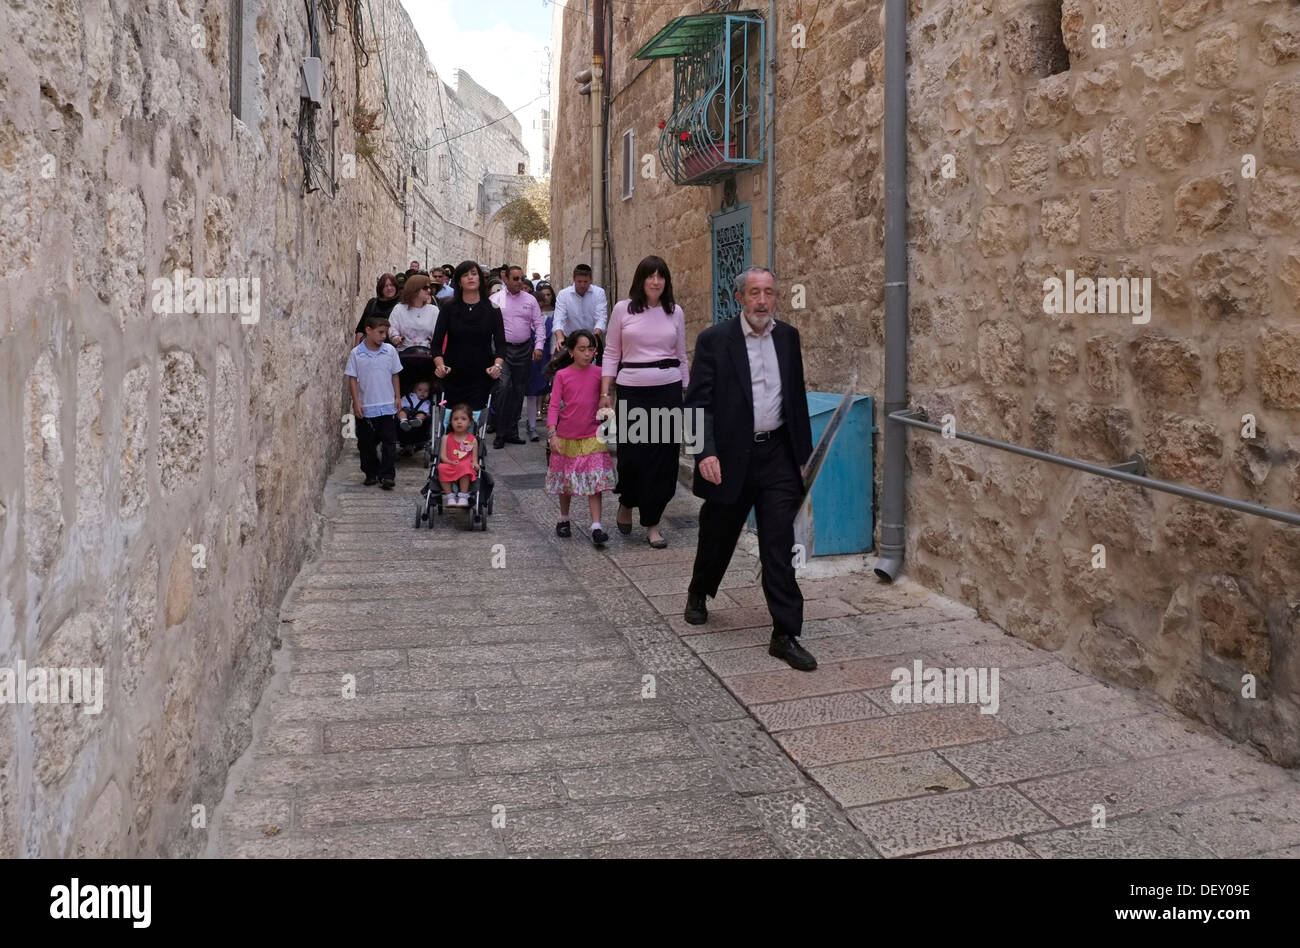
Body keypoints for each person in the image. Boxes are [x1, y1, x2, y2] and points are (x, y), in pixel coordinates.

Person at [683, 267, 816, 671]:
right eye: (755, 293)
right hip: (729, 456)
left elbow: (795, 397)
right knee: (718, 533)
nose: (762, 301)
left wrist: (802, 455)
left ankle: (785, 633)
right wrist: (704, 452)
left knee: (777, 542)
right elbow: (697, 404)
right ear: (739, 297)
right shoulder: (715, 341)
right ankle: (699, 590)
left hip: (776, 454)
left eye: (770, 293)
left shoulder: (788, 337)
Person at [600, 255, 689, 548]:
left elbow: (681, 355)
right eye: (650, 276)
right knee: (633, 456)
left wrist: (687, 392)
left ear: (666, 281)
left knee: (664, 459)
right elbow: (612, 353)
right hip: (633, 391)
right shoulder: (622, 310)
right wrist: (605, 393)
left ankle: (652, 523)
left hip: (668, 389)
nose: (656, 281)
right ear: (641, 280)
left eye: (661, 276)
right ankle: (627, 502)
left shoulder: (675, 311)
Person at [546, 330, 615, 546]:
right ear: (571, 351)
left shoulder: (599, 373)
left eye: (591, 349)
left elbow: (606, 400)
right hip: (566, 436)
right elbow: (554, 405)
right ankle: (564, 517)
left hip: (592, 435)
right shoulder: (562, 375)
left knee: (595, 482)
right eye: (582, 349)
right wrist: (552, 432)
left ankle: (596, 525)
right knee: (566, 481)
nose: (587, 354)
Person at [431, 260, 506, 412]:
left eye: (474, 274)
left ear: (480, 278)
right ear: (459, 281)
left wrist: (497, 366)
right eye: (465, 275)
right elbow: (436, 344)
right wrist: (440, 365)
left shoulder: (492, 310)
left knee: (474, 422)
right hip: (453, 374)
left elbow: (501, 345)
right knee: (453, 422)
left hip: (481, 375)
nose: (470, 278)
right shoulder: (448, 308)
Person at [489, 266, 546, 449]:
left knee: (518, 391)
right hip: (503, 350)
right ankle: (500, 430)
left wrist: (538, 346)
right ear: (506, 279)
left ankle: (512, 431)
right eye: (516, 278)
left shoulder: (530, 300)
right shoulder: (495, 299)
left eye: (522, 278)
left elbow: (539, 324)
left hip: (523, 350)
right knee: (503, 387)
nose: (520, 282)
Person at [345, 314, 403, 490]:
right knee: (366, 443)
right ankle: (371, 472)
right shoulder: (357, 354)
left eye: (385, 333)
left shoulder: (390, 351)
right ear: (368, 331)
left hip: (386, 405)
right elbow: (353, 379)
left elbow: (395, 374)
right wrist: (356, 402)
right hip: (367, 406)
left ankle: (387, 475)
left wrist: (398, 397)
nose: (383, 336)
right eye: (380, 332)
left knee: (389, 443)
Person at [525, 282, 557, 441]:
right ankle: (531, 426)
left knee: (545, 389)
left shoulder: (548, 319)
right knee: (530, 392)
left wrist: (552, 358)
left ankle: (552, 425)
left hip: (544, 357)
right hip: (527, 357)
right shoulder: (525, 321)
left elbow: (552, 340)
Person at [552, 263, 609, 350]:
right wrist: (560, 337)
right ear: (574, 279)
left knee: (595, 364)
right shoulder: (563, 294)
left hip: (593, 339)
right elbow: (559, 319)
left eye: (585, 282)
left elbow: (601, 318)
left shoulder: (599, 293)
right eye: (579, 281)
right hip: (570, 341)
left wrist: (595, 335)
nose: (582, 285)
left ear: (591, 280)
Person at [436, 403, 480, 507]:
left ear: (470, 423)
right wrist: (450, 462)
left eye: (463, 419)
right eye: (455, 419)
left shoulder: (472, 440)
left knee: (465, 467)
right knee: (441, 467)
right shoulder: (446, 438)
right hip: (451, 464)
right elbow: (443, 456)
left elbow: (474, 459)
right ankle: (450, 496)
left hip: (465, 466)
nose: (459, 422)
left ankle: (463, 496)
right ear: (451, 422)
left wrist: (476, 464)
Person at [388, 274, 439, 350]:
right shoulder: (399, 309)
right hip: (404, 355)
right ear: (414, 289)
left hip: (427, 355)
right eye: (425, 288)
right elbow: (392, 329)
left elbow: (438, 335)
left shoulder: (434, 310)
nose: (429, 290)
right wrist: (396, 338)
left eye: (429, 287)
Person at [354, 273, 400, 346]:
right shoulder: (372, 303)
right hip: (370, 349)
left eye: (391, 285)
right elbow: (360, 329)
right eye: (386, 286)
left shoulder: (400, 305)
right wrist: (357, 349)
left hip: (392, 350)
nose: (389, 288)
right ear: (380, 288)